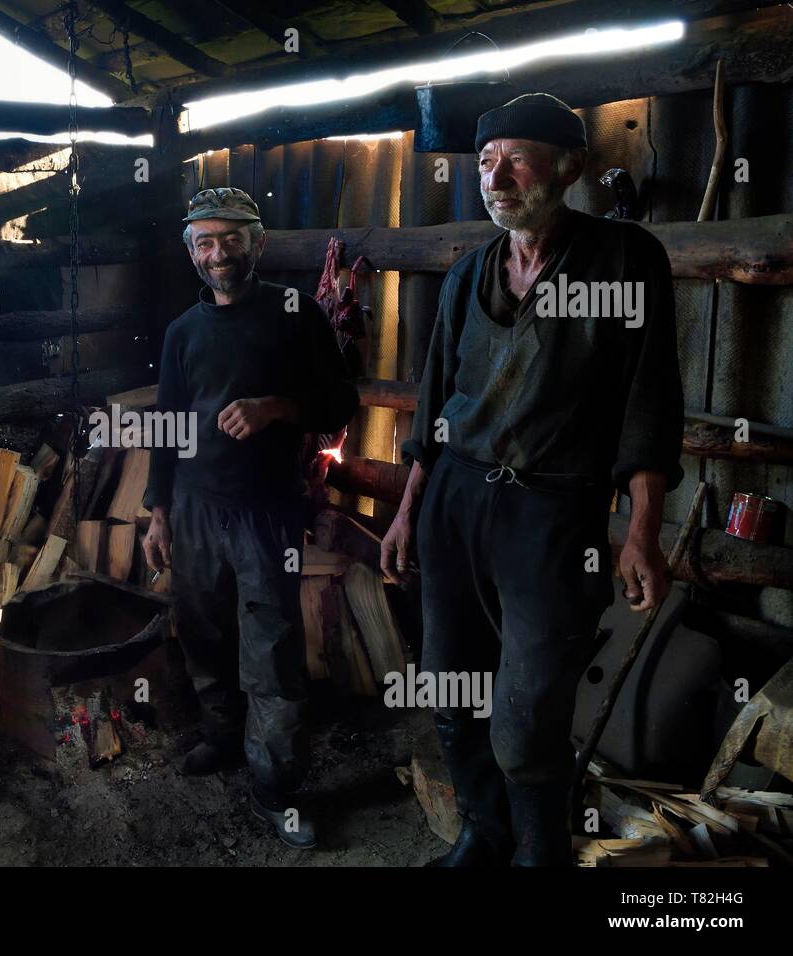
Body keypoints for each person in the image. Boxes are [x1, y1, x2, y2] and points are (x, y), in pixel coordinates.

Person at [381, 94, 684, 866]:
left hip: (550, 515)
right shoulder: (469, 277)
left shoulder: (624, 260)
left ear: (569, 167)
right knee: (450, 690)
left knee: (525, 714)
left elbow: (649, 405)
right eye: (485, 161)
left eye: (516, 157)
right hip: (454, 502)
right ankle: (483, 832)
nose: (497, 176)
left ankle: (538, 855)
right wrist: (409, 510)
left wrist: (642, 529)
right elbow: (432, 406)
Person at [142, 187, 358, 849]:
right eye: (204, 241)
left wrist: (274, 408)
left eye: (231, 238)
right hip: (194, 509)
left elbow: (337, 406)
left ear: (257, 243)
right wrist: (157, 512)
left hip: (265, 513)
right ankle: (221, 736)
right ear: (191, 253)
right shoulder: (183, 332)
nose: (218, 253)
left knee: (270, 652)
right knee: (204, 634)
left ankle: (275, 784)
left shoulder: (296, 316)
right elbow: (168, 425)